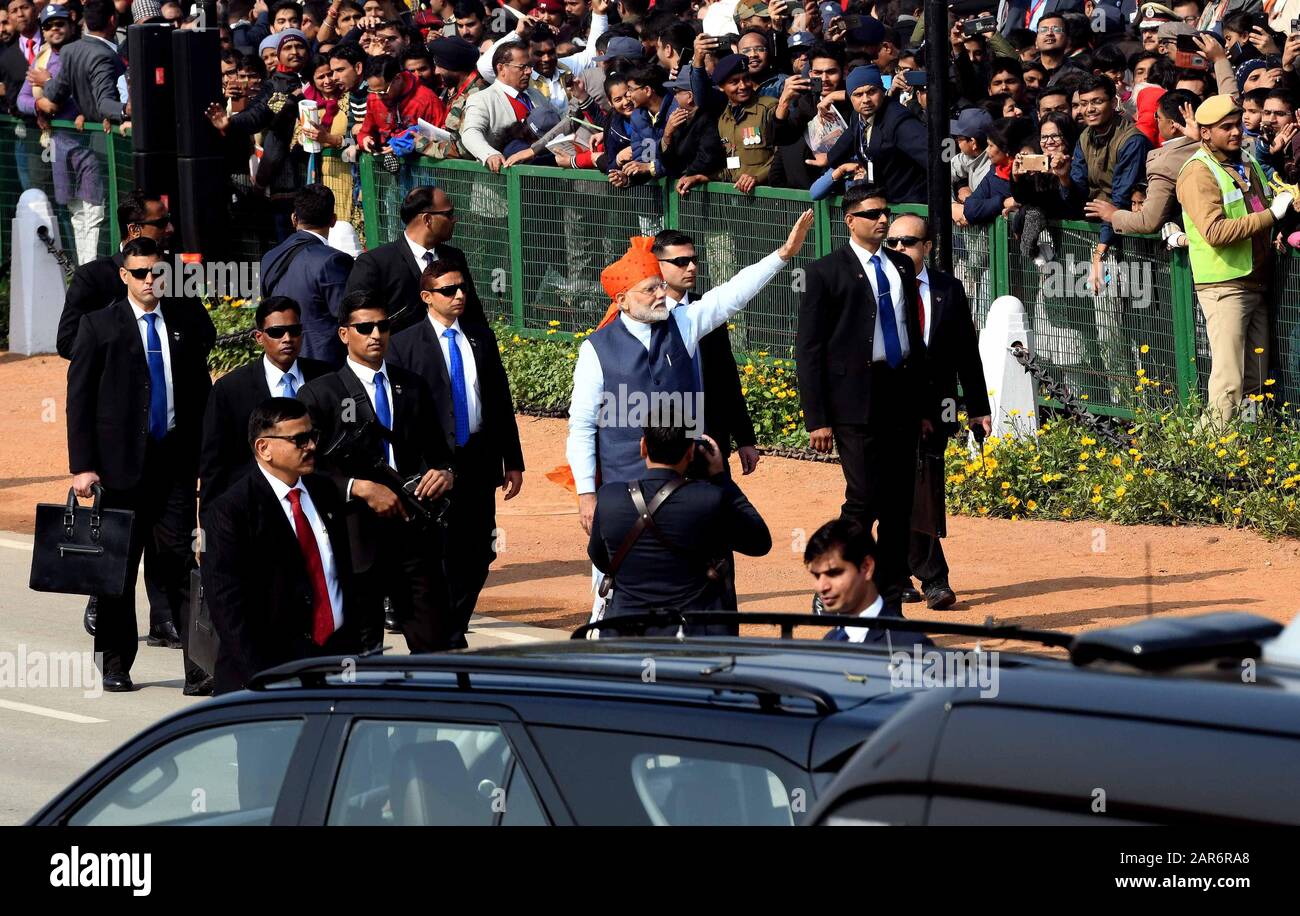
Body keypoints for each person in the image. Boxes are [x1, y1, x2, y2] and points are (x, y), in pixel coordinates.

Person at [567, 211, 813, 535]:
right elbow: (582, 425)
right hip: (623, 492)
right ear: (622, 300)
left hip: (685, 485)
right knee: (617, 577)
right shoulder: (594, 349)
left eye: (659, 286)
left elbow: (732, 294)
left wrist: (783, 254)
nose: (660, 295)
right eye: (650, 289)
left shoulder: (683, 324)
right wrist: (586, 494)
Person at [66, 237, 216, 694]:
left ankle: (200, 669)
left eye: (158, 273)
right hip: (118, 469)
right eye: (141, 273)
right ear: (124, 277)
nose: (151, 281)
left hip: (173, 464)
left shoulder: (187, 318)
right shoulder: (99, 326)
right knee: (119, 570)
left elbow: (199, 386)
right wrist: (84, 466)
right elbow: (79, 401)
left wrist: (206, 453)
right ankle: (115, 664)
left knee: (178, 566)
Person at [57, 189, 190, 648]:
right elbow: (68, 341)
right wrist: (120, 350)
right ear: (134, 231)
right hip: (119, 440)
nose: (169, 228)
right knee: (120, 542)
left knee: (171, 543)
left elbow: (200, 336)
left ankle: (166, 617)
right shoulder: (96, 281)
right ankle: (109, 622)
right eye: (161, 222)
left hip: (168, 445)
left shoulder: (175, 279)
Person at [298, 291, 459, 653]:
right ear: (344, 334)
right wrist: (358, 488)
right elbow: (308, 469)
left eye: (383, 326)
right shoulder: (320, 394)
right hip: (354, 534)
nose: (375, 335)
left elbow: (440, 453)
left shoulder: (412, 386)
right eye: (365, 327)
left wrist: (444, 474)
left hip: (412, 528)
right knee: (361, 647)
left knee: (433, 641)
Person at [795, 184, 933, 604]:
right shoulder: (824, 272)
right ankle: (836, 576)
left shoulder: (902, 267)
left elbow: (914, 336)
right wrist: (817, 417)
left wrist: (926, 406)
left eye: (885, 212)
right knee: (864, 496)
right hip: (853, 400)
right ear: (850, 219)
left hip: (901, 395)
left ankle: (890, 585)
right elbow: (809, 349)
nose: (883, 220)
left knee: (898, 501)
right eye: (872, 213)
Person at [388, 260, 524, 642]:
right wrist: (416, 467)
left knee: (481, 551)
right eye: (449, 290)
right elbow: (401, 415)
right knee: (440, 553)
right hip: (431, 466)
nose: (459, 295)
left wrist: (512, 461)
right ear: (427, 297)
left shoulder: (482, 337)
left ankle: (452, 626)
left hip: (478, 458)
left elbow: (499, 401)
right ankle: (445, 633)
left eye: (462, 287)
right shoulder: (403, 345)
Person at [201, 398, 361, 696]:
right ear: (264, 448)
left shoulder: (324, 492)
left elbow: (341, 578)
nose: (311, 446)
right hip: (267, 678)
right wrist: (263, 682)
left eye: (312, 436)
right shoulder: (231, 511)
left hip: (334, 666)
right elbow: (227, 608)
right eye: (299, 439)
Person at [886, 213, 991, 610]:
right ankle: (931, 577)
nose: (898, 249)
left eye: (908, 242)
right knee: (894, 491)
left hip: (937, 408)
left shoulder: (949, 288)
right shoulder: (877, 288)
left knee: (922, 488)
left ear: (927, 247)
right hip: (885, 409)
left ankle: (901, 572)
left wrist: (978, 407)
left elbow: (967, 351)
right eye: (892, 242)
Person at [1175, 94, 1299, 425]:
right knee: (1229, 381)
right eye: (1225, 127)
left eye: (1236, 125)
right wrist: (1273, 215)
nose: (1235, 132)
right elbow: (1215, 231)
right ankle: (1207, 453)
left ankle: (1249, 439)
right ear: (1204, 132)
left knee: (1255, 380)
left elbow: (1260, 205)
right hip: (1224, 286)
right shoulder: (1197, 172)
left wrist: (1285, 200)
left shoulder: (1246, 161)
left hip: (1255, 280)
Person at [588, 423, 771, 635]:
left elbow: (599, 557)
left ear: (643, 447)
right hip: (691, 640)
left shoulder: (610, 497)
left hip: (626, 636)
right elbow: (760, 542)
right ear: (691, 452)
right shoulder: (709, 499)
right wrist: (721, 478)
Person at [200, 296, 333, 504]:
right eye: (277, 332)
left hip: (320, 498)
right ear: (259, 337)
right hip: (257, 503)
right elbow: (214, 464)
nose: (287, 338)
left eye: (294, 330)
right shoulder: (231, 389)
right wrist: (211, 522)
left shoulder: (326, 378)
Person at [650, 228, 759, 474]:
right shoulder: (644, 315)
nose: (691, 267)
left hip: (712, 443)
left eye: (693, 260)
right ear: (658, 266)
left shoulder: (709, 310)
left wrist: (745, 439)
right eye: (680, 261)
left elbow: (727, 377)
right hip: (663, 449)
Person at [343, 185, 488, 334]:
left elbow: (473, 315)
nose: (454, 219)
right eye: (448, 214)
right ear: (427, 219)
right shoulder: (375, 263)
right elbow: (356, 321)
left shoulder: (454, 257)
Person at [259, 184, 356, 365]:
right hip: (323, 367)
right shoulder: (334, 261)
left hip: (280, 361)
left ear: (294, 218)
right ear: (333, 220)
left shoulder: (268, 258)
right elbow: (348, 316)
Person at [805, 517, 931, 649]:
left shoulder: (910, 646)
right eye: (816, 575)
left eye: (834, 573)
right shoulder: (830, 641)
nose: (822, 587)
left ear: (866, 567)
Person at [810, 65, 928, 205]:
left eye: (871, 92)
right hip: (884, 201)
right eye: (858, 95)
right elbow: (844, 145)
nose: (866, 100)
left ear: (882, 91)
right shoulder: (857, 117)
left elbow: (933, 158)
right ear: (850, 98)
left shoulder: (898, 121)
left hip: (911, 205)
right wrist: (829, 159)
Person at [1093, 88, 1200, 235]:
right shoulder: (1214, 147)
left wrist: (1113, 215)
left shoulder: (1166, 163)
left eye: (1158, 116)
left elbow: (1148, 221)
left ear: (1172, 125)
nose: (1156, 121)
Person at [459, 42, 542, 171]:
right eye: (522, 67)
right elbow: (470, 133)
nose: (529, 71)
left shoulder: (536, 95)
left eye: (530, 66)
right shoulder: (482, 99)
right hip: (501, 182)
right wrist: (490, 154)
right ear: (501, 68)